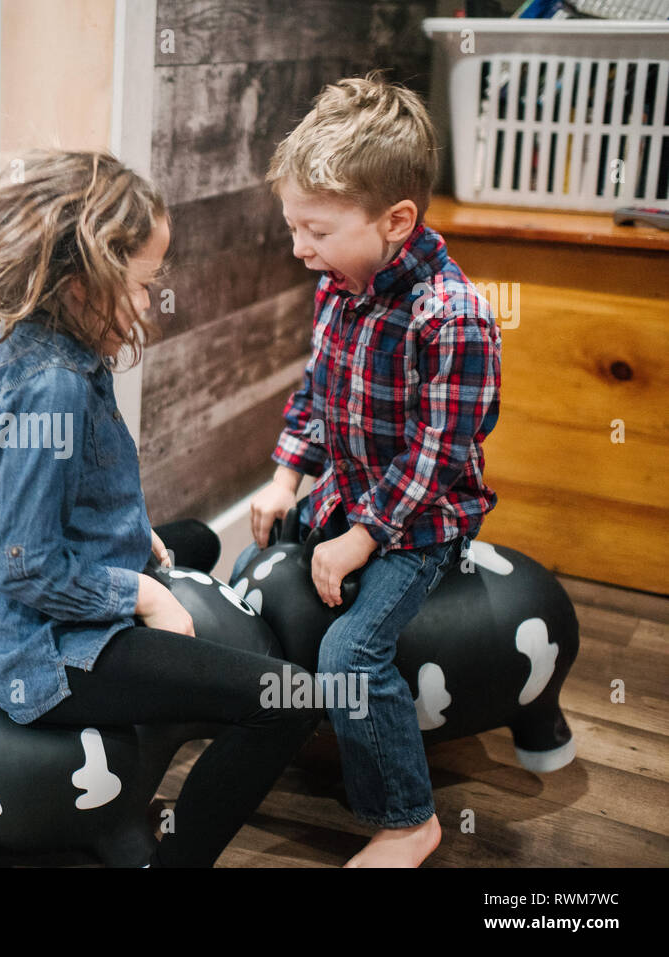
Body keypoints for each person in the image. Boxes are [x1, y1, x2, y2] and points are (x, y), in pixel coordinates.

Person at [0, 149, 322, 868]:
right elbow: (21, 563)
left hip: (24, 609)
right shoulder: (54, 387)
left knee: (191, 538)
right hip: (41, 653)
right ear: (79, 282)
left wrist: (141, 546)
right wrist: (139, 594)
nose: (145, 305)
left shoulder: (25, 348)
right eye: (139, 286)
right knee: (289, 699)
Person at [230, 73, 502, 867]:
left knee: (351, 653)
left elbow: (439, 454)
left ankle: (405, 818)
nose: (298, 247)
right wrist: (287, 474)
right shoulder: (339, 288)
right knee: (253, 567)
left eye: (314, 228)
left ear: (397, 221)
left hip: (420, 519)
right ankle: (285, 726)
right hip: (349, 491)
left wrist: (365, 536)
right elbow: (319, 392)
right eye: (292, 226)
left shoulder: (452, 316)